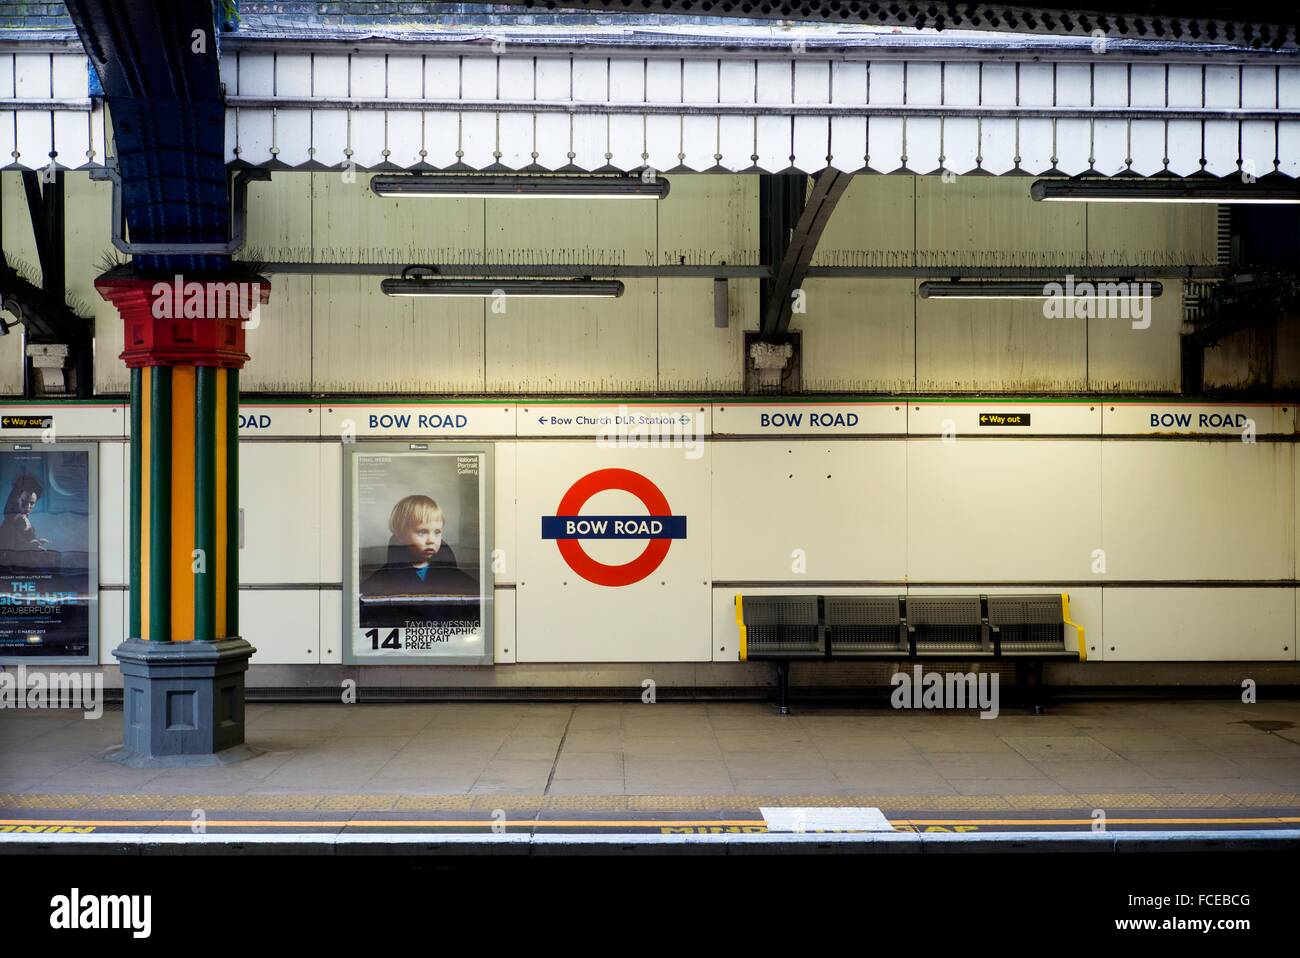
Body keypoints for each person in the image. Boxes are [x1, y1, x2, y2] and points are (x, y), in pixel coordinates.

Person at [359, 494, 479, 629]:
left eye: (437, 532)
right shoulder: (379, 583)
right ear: (400, 536)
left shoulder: (458, 578)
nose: (431, 540)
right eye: (422, 532)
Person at [0, 472, 48, 553]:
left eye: (32, 503)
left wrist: (35, 542)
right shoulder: (11, 523)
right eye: (24, 501)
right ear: (17, 498)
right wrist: (30, 545)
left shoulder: (22, 518)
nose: (28, 507)